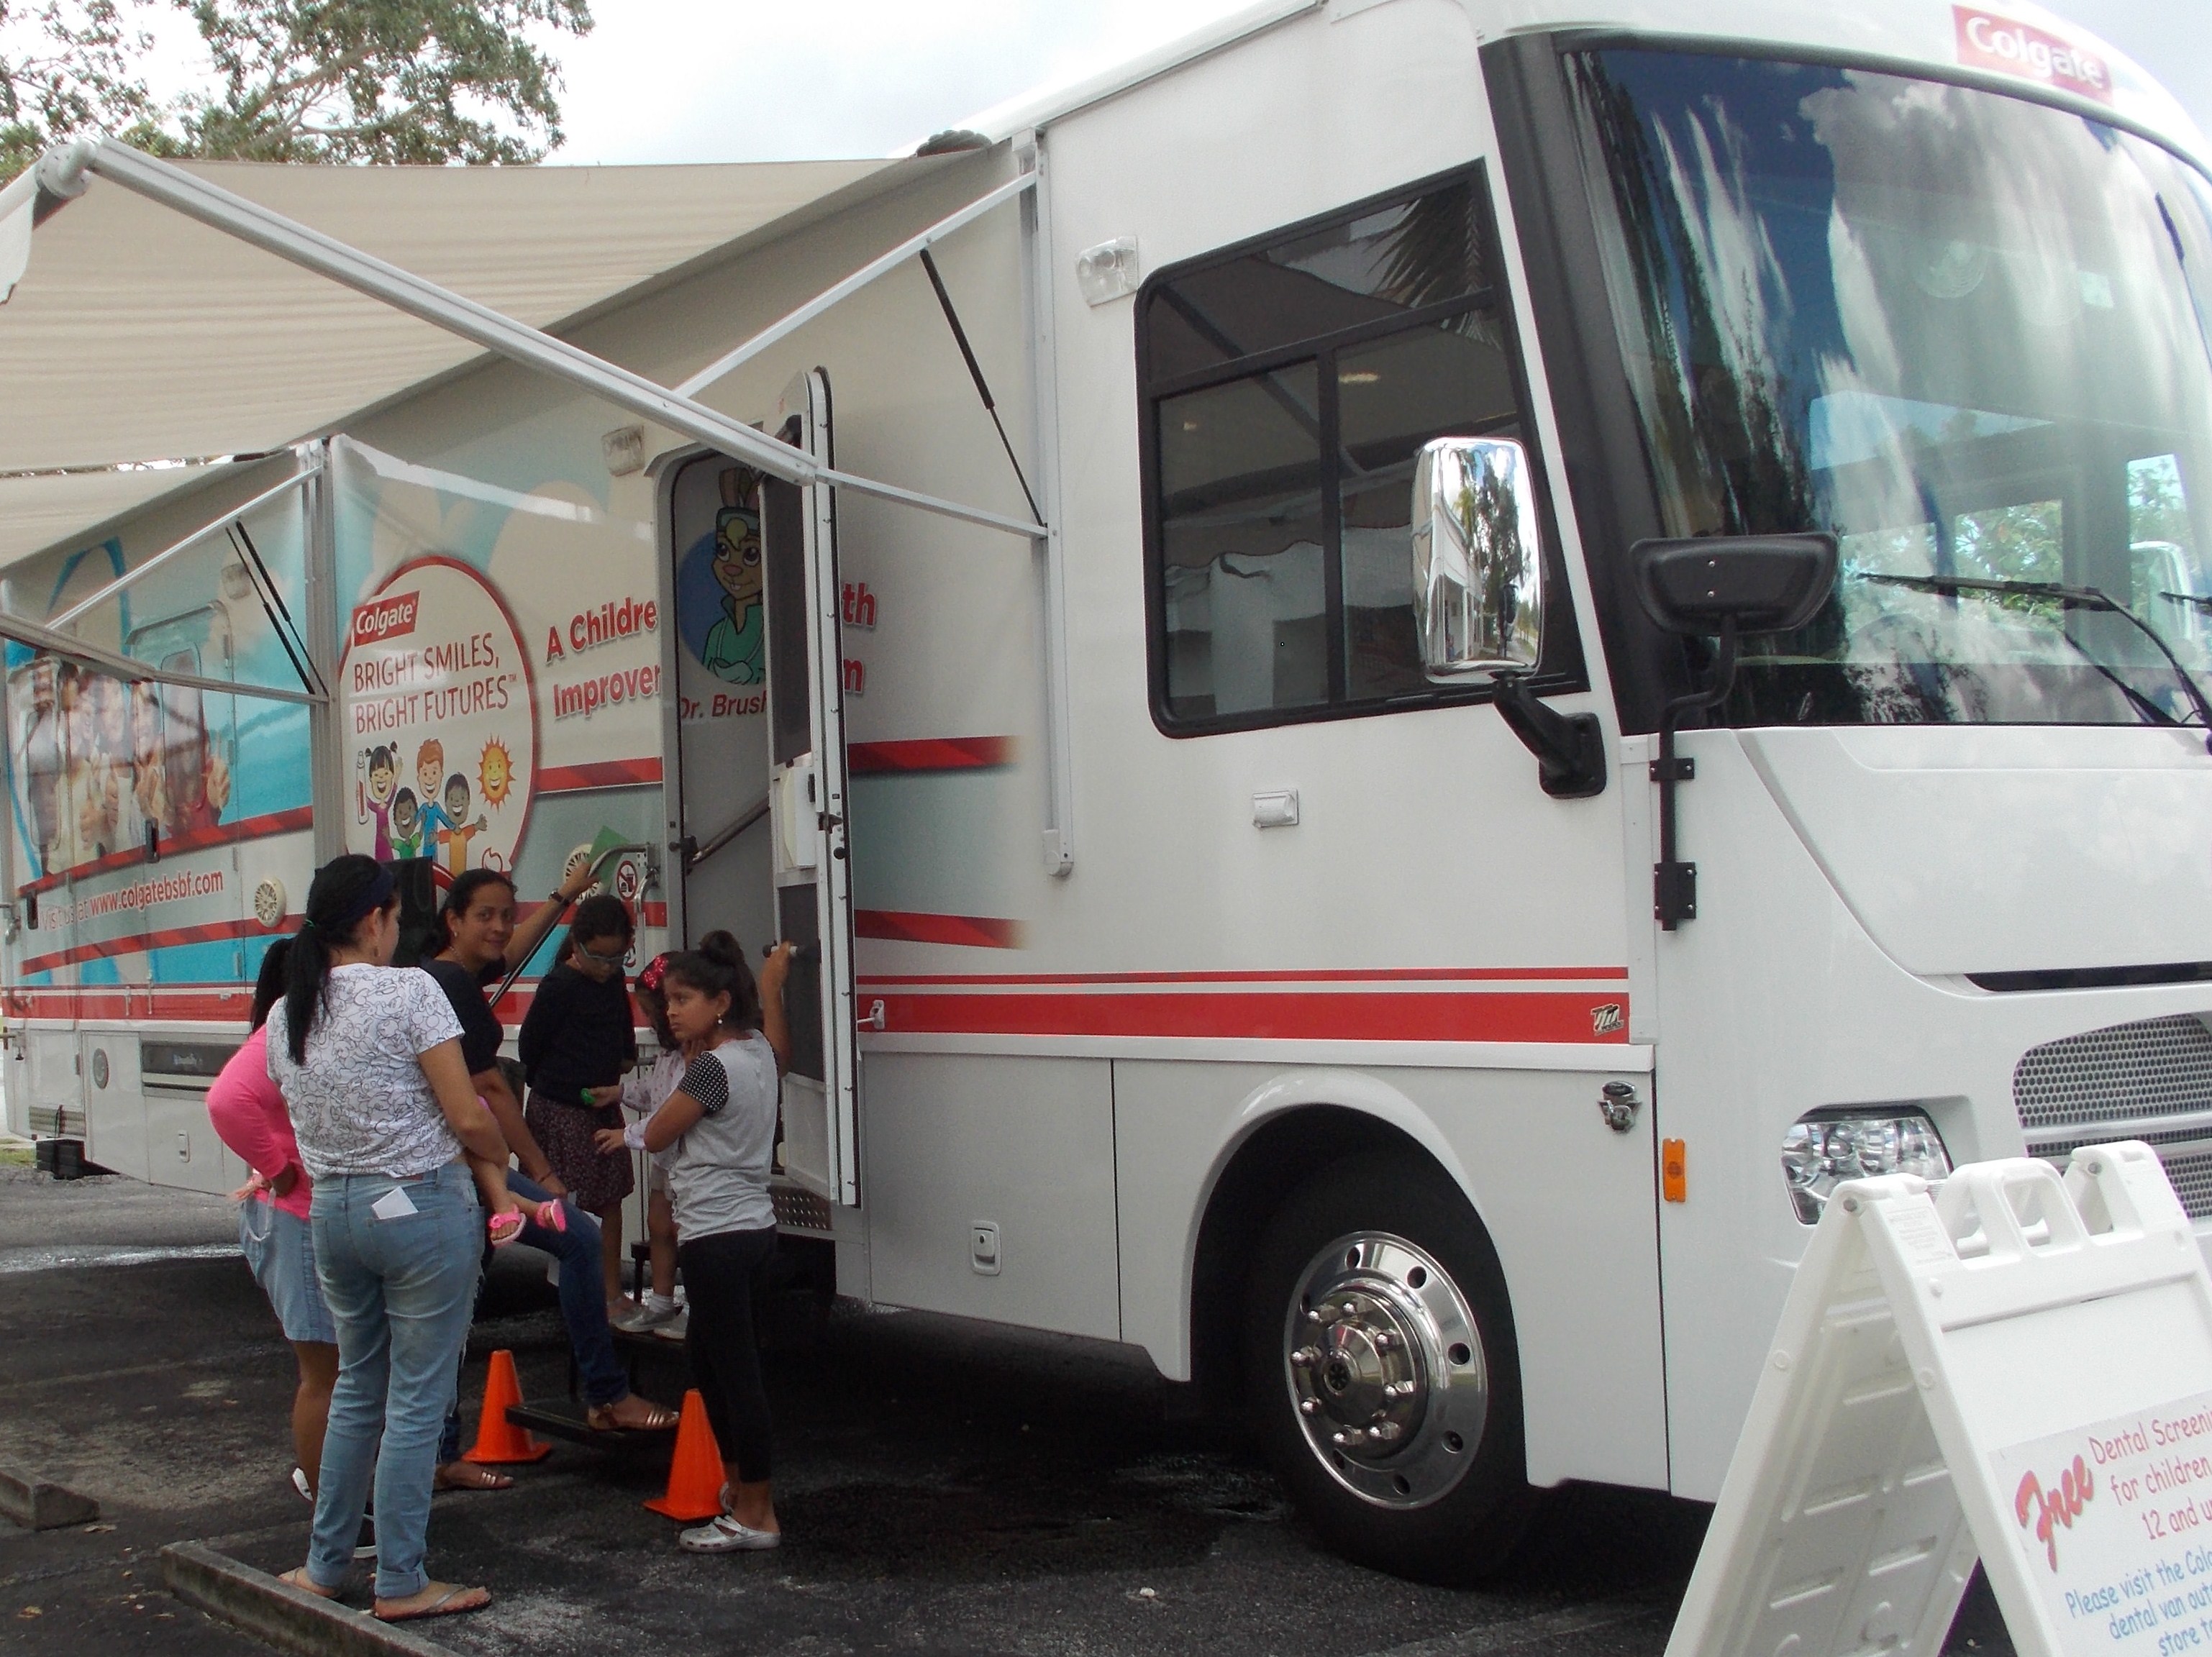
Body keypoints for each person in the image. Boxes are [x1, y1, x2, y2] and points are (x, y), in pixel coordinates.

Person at [264, 854, 500, 1622]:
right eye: (397, 919)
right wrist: (501, 1155)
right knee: (418, 1399)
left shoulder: (287, 1011)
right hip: (420, 1206)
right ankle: (400, 1580)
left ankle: (325, 1565)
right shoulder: (410, 991)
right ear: (375, 920)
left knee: (358, 1388)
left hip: (333, 1212)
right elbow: (465, 1114)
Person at [420, 868, 679, 1453]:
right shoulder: (453, 985)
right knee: (577, 1239)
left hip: (458, 1167)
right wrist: (540, 1172)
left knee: (453, 1309)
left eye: (505, 914)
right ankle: (606, 1397)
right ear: (452, 920)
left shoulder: (444, 973)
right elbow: (491, 1088)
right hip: (461, 1167)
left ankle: (443, 1450)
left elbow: (510, 950)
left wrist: (562, 895)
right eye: (484, 916)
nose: (500, 928)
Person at [598, 933, 792, 1552]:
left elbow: (658, 1133)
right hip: (753, 1229)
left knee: (735, 1376)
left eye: (684, 1000)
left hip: (717, 1235)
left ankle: (757, 1513)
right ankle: (738, 1491)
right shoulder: (758, 1051)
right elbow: (781, 1050)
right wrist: (772, 989)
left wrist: (632, 1129)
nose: (671, 1011)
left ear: (720, 1003)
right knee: (710, 1365)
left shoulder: (711, 1068)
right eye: (669, 1000)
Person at [206, 938, 362, 1550]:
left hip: (305, 1216)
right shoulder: (276, 1037)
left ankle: (331, 1488)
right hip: (292, 1218)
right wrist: (279, 1169)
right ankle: (335, 1514)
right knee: (324, 1372)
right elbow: (226, 1102)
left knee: (340, 1368)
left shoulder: (301, 1035)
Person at [519, 894, 639, 1313]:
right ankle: (576, 1297)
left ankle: (610, 1291)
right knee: (571, 1206)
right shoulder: (560, 985)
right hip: (561, 1108)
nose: (606, 967)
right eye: (598, 957)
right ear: (577, 945)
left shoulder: (613, 981)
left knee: (611, 1199)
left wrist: (623, 1060)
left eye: (616, 958)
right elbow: (530, 1047)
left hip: (601, 1106)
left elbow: (623, 1032)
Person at [610, 954, 687, 1338]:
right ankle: (661, 1302)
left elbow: (670, 1111)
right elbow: (654, 1092)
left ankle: (693, 1306)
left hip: (686, 1158)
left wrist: (625, 1135)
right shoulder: (670, 1053)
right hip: (664, 1158)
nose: (655, 1020)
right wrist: (619, 1092)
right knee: (658, 1225)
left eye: (653, 1011)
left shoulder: (694, 1055)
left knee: (683, 1230)